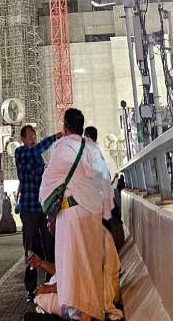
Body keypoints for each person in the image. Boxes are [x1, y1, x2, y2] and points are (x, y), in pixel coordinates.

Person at [39, 107, 113, 321]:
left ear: (65, 126)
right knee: (90, 263)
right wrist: (105, 211)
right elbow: (104, 181)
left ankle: (76, 313)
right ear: (81, 127)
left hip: (70, 216)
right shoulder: (92, 149)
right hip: (92, 214)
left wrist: (48, 211)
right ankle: (92, 309)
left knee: (71, 265)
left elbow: (48, 183)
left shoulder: (63, 148)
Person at [15, 121, 61, 301]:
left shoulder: (38, 157)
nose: (34, 136)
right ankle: (30, 287)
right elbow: (36, 151)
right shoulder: (21, 152)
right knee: (32, 248)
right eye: (31, 134)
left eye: (35, 134)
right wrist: (55, 138)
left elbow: (43, 176)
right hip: (29, 208)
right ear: (23, 138)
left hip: (43, 208)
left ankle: (51, 282)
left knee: (50, 245)